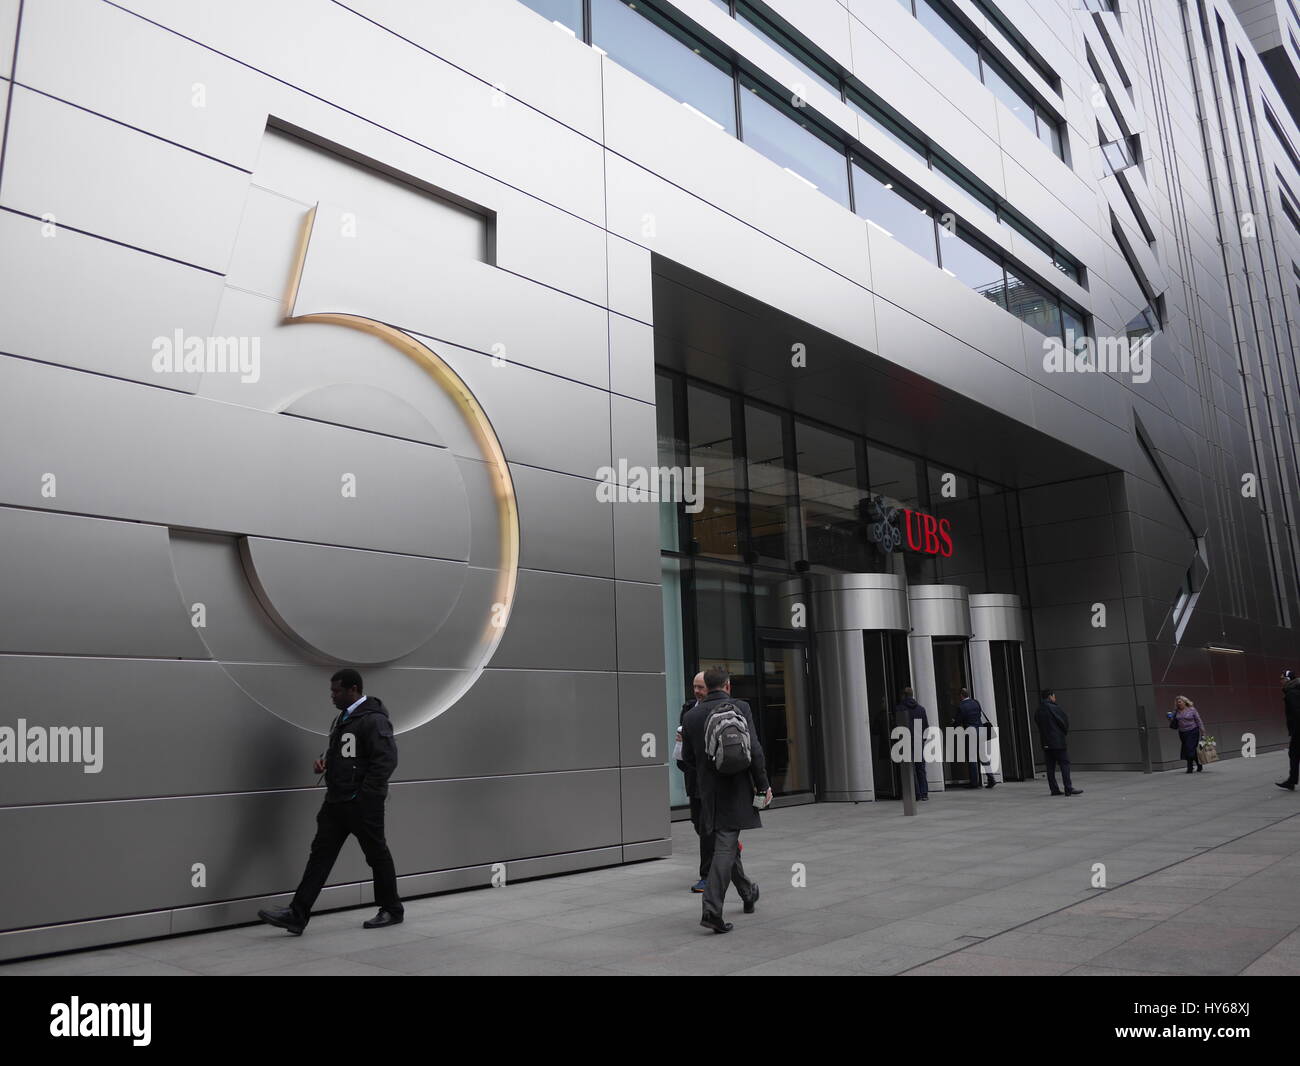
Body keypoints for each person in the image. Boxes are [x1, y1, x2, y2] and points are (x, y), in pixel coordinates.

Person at [258, 668, 404, 935]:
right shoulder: (343, 719)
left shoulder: (373, 720)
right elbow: (349, 755)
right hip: (336, 802)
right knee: (320, 857)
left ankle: (392, 909)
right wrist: (325, 762)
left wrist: (365, 796)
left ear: (354, 689)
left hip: (361, 804)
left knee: (376, 855)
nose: (332, 696)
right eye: (332, 691)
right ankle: (297, 914)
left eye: (337, 691)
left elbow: (386, 761)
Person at [680, 667, 771, 934]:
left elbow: (687, 759)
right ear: (728, 686)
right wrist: (763, 785)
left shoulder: (692, 715)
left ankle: (747, 891)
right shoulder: (741, 707)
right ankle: (711, 909)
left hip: (709, 791)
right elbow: (754, 749)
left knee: (725, 842)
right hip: (738, 790)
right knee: (725, 846)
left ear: (706, 687)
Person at [676, 672, 710, 892]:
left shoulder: (719, 708)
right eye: (695, 686)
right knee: (698, 823)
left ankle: (706, 877)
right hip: (692, 775)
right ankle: (729, 847)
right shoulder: (688, 708)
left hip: (710, 777)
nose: (697, 691)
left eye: (701, 687)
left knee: (708, 828)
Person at [1034, 689, 1082, 797]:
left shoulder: (1038, 710)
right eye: (1054, 696)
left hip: (1046, 742)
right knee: (1064, 764)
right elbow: (1064, 722)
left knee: (1050, 767)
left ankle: (1054, 789)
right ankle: (1068, 788)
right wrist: (1062, 733)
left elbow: (1037, 723)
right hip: (1057, 742)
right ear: (1050, 696)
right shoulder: (1055, 708)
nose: (1055, 698)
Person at [954, 687, 994, 789]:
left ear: (961, 696)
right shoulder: (976, 702)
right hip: (980, 730)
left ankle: (974, 782)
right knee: (983, 756)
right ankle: (991, 778)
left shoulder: (961, 706)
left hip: (970, 732)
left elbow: (958, 721)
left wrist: (954, 723)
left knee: (972, 758)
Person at [894, 687, 929, 800]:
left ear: (904, 695)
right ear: (912, 695)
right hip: (918, 740)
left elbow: (897, 726)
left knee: (910, 768)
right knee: (920, 768)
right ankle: (924, 793)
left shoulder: (899, 709)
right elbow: (926, 727)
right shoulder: (921, 709)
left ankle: (916, 794)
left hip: (906, 741)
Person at [1275, 670, 1300, 790]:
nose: (1281, 681)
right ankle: (1292, 780)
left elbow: (1296, 713)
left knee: (1294, 753)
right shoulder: (1295, 690)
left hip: (1298, 730)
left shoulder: (1292, 693)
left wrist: (1295, 730)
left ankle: (1292, 780)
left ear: (1288, 679)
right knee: (1294, 754)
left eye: (1282, 679)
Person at [1169, 695, 1205, 774]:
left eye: (1180, 702)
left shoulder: (1192, 709)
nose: (1178, 703)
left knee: (1189, 748)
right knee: (1188, 749)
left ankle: (1190, 767)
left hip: (1193, 731)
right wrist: (1170, 717)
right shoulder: (1176, 711)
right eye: (1177, 702)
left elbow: (1198, 720)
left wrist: (1203, 731)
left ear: (1184, 702)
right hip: (1182, 732)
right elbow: (1173, 721)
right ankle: (1199, 764)